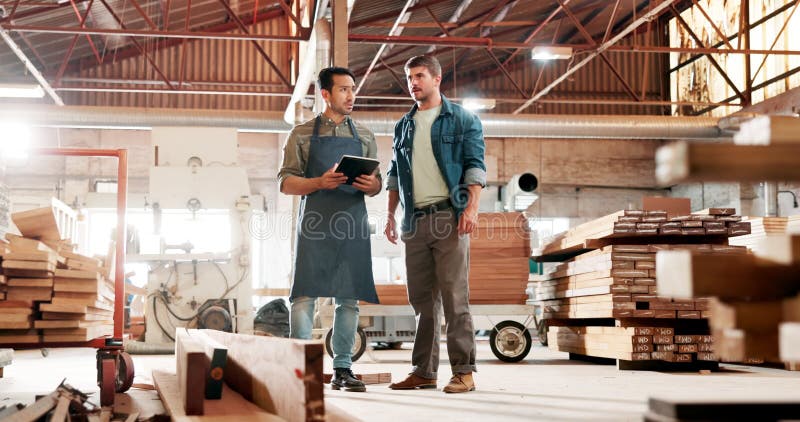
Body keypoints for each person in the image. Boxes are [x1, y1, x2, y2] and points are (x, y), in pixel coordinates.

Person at [384, 55, 486, 394]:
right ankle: (424, 372)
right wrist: (390, 215)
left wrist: (471, 209)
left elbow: (475, 166)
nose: (413, 83)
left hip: (449, 217)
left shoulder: (462, 119)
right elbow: (394, 174)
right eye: (409, 77)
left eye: (419, 76)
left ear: (437, 79)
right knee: (422, 301)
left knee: (455, 297)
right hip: (413, 220)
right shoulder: (403, 125)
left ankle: (464, 372)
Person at [278, 66, 382, 393]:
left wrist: (372, 185)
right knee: (304, 297)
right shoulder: (301, 134)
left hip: (352, 225)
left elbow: (377, 183)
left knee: (348, 300)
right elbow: (286, 182)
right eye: (343, 90)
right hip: (315, 225)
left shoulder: (365, 135)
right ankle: (301, 371)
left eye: (353, 89)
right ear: (325, 94)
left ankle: (343, 369)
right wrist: (319, 182)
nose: (351, 96)